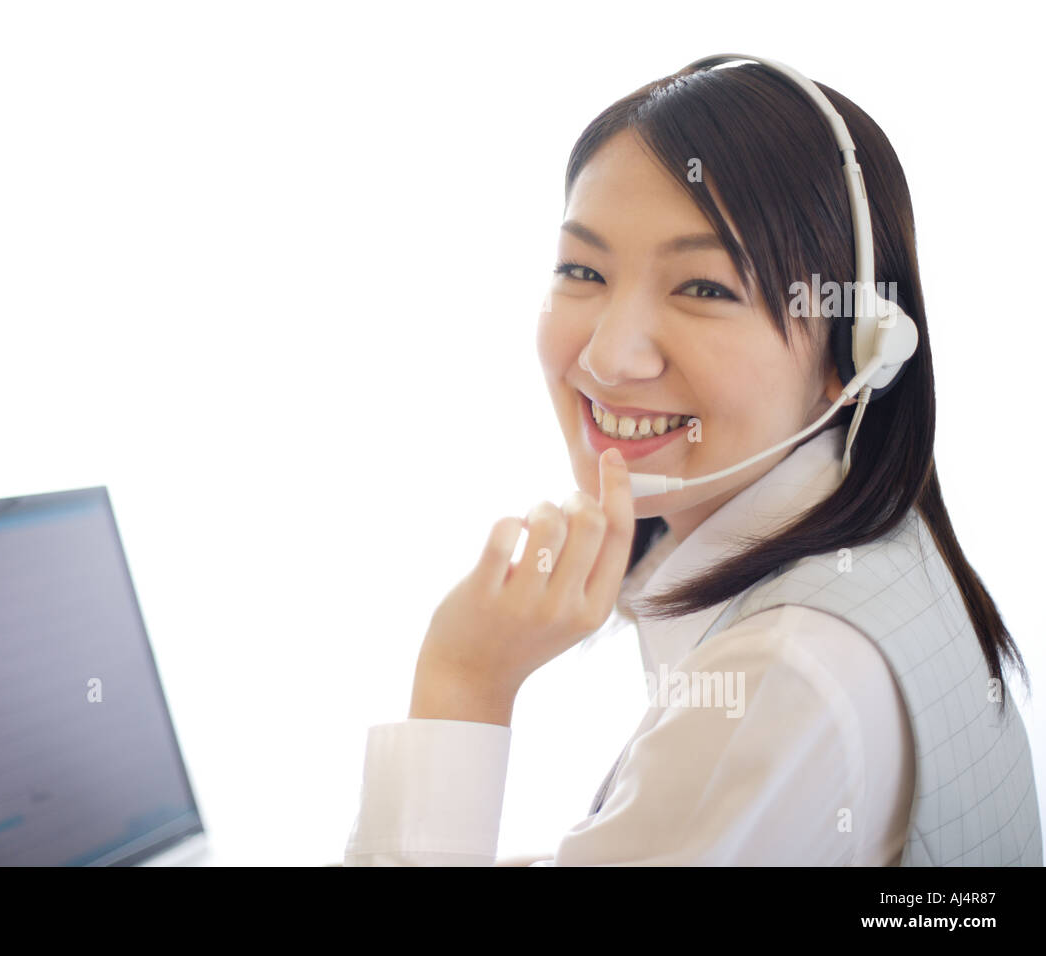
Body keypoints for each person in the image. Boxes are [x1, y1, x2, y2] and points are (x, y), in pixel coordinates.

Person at [342, 55, 1042, 866]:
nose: (608, 358)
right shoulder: (876, 557)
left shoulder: (787, 674)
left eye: (704, 289)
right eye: (582, 271)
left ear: (853, 353)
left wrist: (462, 680)